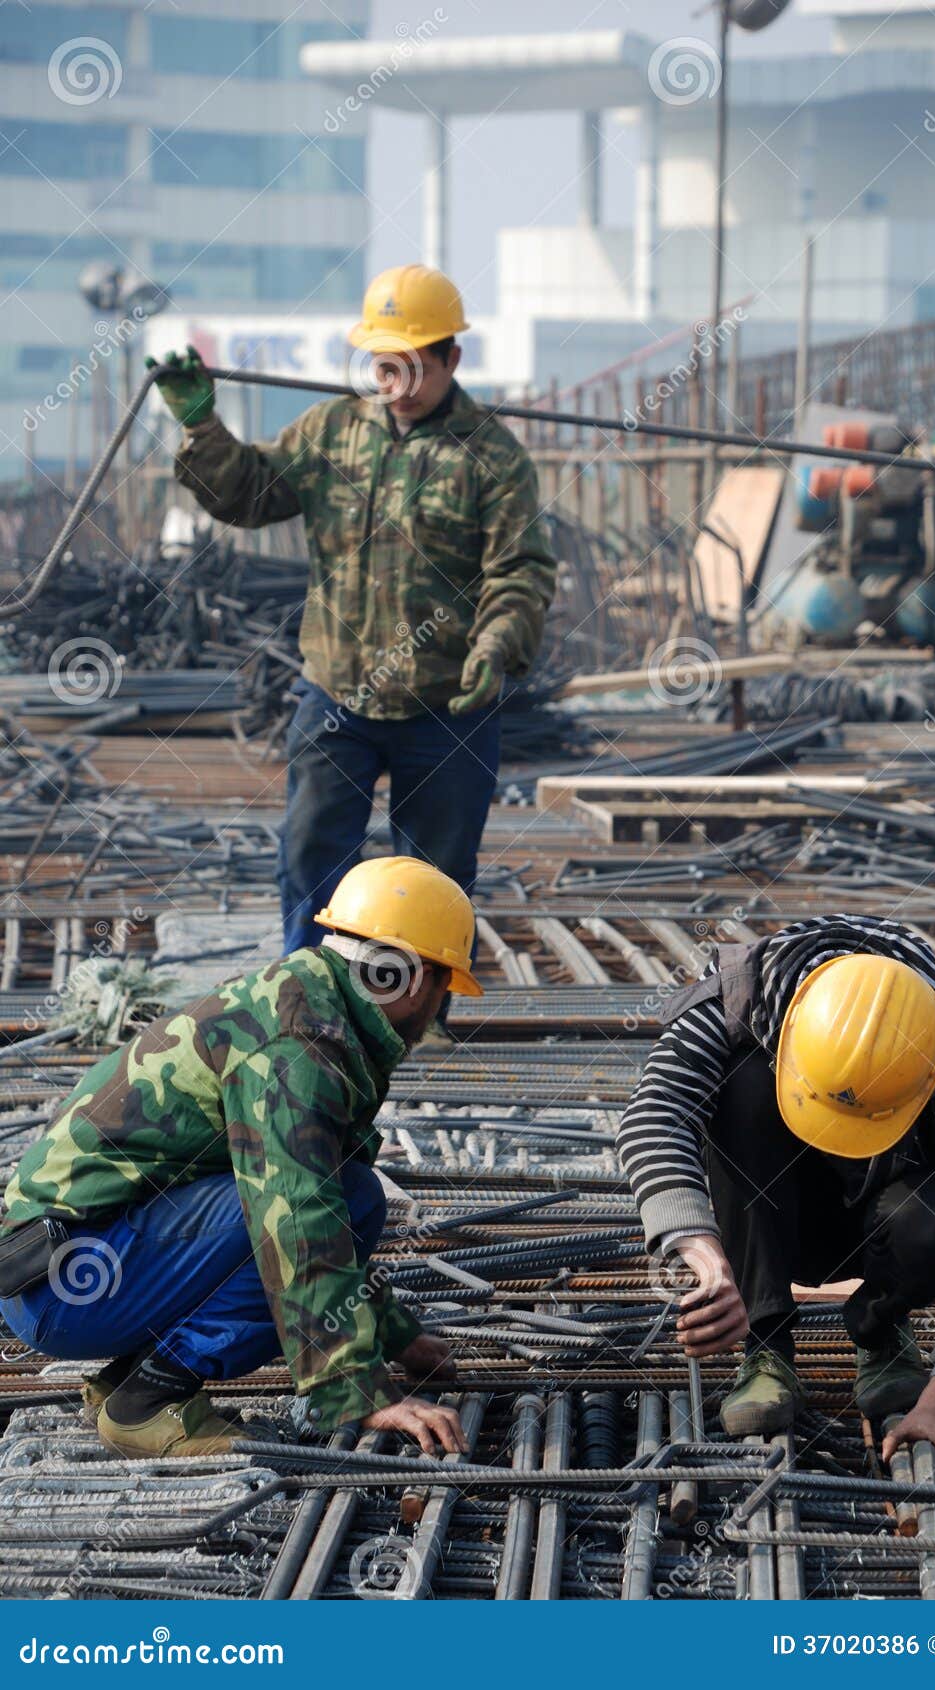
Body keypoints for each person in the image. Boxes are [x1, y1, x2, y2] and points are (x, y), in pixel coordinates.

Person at [0, 858, 479, 1460]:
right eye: (442, 988)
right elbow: (300, 1215)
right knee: (346, 1199)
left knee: (346, 1194)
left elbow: (315, 1212)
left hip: (67, 1273)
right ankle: (147, 1398)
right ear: (405, 975)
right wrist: (356, 1388)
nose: (439, 1013)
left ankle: (131, 1379)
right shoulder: (298, 1042)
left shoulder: (307, 1004)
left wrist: (398, 1337)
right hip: (68, 1287)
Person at [150, 262, 557, 966]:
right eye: (381, 361)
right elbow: (248, 496)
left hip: (445, 708)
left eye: (408, 363)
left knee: (432, 887)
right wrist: (201, 425)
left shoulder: (490, 456)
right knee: (311, 861)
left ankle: (414, 1018)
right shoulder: (329, 432)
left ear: (450, 359)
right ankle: (305, 1004)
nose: (390, 378)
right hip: (338, 697)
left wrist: (494, 646)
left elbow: (518, 570)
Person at [616, 915, 935, 1471]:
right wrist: (706, 1259)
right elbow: (652, 1119)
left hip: (887, 1206)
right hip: (768, 1211)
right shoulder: (732, 1000)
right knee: (740, 1088)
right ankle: (766, 1343)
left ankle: (881, 1326)